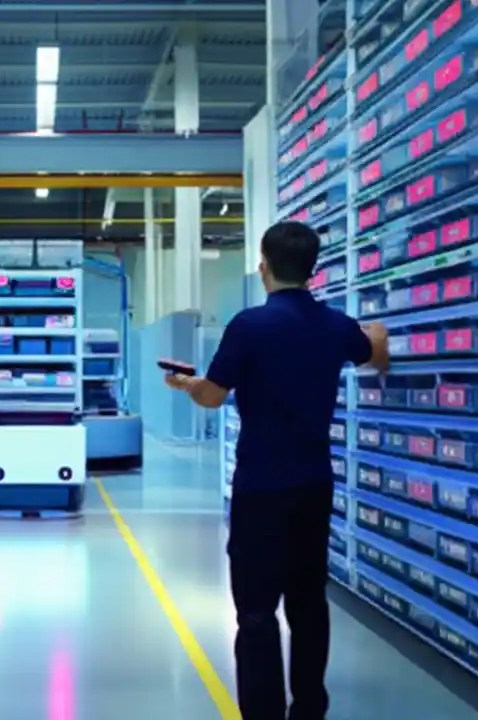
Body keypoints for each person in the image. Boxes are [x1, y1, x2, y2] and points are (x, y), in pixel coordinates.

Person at [163, 221, 389, 720]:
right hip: (314, 484)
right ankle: (309, 708)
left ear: (263, 265)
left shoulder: (249, 326)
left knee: (257, 612)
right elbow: (373, 351)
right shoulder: (335, 326)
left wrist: (188, 385)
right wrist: (378, 335)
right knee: (308, 602)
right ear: (313, 270)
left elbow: (214, 395)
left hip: (260, 487)